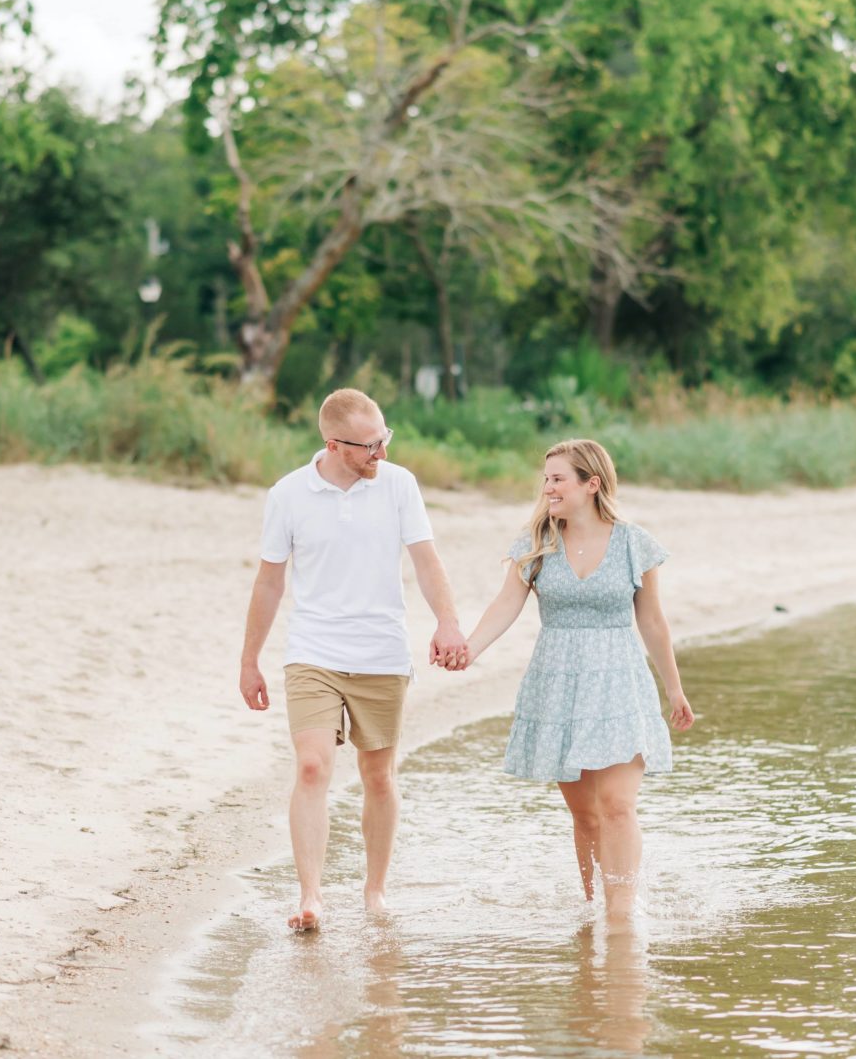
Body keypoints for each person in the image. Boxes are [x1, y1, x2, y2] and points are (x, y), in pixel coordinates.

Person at [240, 388, 467, 932]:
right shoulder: (289, 494)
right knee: (314, 765)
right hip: (313, 651)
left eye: (384, 440)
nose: (381, 454)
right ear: (334, 445)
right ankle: (311, 897)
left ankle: (375, 891)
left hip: (381, 652)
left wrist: (448, 621)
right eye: (370, 447)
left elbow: (427, 562)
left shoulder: (399, 486)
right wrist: (250, 661)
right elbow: (270, 582)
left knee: (379, 776)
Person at [451, 438, 694, 922]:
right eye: (546, 480)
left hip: (620, 681)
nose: (548, 488)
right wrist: (470, 648)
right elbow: (506, 605)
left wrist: (674, 688)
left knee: (618, 805)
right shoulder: (536, 543)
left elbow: (652, 622)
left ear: (592, 484)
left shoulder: (633, 543)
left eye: (558, 479)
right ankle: (593, 908)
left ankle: (621, 915)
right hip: (558, 683)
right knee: (585, 815)